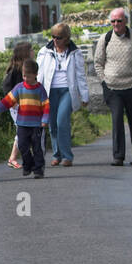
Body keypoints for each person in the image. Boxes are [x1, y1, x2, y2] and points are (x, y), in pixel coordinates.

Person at [93, 7, 132, 166]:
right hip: (113, 89)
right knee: (117, 120)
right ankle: (118, 157)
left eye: (119, 20)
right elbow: (98, 63)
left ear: (125, 20)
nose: (116, 24)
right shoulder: (104, 39)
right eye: (113, 21)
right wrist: (104, 82)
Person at [37, 22, 89, 166]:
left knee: (62, 122)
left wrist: (84, 95)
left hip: (67, 90)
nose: (55, 40)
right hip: (49, 91)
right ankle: (56, 154)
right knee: (52, 124)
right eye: (53, 36)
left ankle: (67, 156)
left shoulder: (75, 52)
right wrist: (36, 93)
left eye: (59, 37)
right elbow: (40, 74)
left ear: (66, 38)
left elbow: (80, 75)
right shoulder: (44, 51)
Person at [0, 58, 50, 178]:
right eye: (24, 76)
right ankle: (28, 164)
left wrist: (45, 120)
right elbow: (8, 100)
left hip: (37, 125)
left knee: (37, 148)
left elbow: (46, 105)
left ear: (35, 75)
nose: (26, 79)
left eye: (28, 76)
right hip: (22, 124)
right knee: (22, 146)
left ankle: (38, 169)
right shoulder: (19, 87)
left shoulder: (40, 89)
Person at [0, 41, 34, 169]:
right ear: (25, 53)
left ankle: (13, 158)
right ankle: (14, 158)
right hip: (16, 107)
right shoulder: (15, 70)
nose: (33, 52)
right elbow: (6, 88)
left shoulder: (28, 69)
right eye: (31, 50)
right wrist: (13, 102)